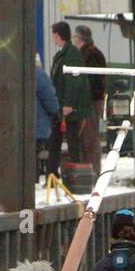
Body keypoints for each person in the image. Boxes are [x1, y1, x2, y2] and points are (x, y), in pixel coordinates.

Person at [50, 21, 90, 169]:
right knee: (56, 141)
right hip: (60, 106)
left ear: (57, 35)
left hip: (70, 109)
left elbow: (74, 80)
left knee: (73, 142)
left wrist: (68, 103)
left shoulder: (71, 54)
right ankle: (53, 173)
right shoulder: (61, 55)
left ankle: (76, 174)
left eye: (53, 35)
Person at [72, 24, 105, 176]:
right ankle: (88, 170)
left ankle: (93, 171)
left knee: (90, 137)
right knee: (86, 136)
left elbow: (93, 80)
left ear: (79, 38)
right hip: (89, 100)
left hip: (91, 101)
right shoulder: (88, 53)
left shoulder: (90, 54)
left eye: (74, 37)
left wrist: (83, 97)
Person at [33, 52, 60, 180]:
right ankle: (35, 178)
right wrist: (56, 112)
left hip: (21, 128)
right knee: (37, 155)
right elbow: (50, 100)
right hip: (38, 126)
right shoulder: (39, 75)